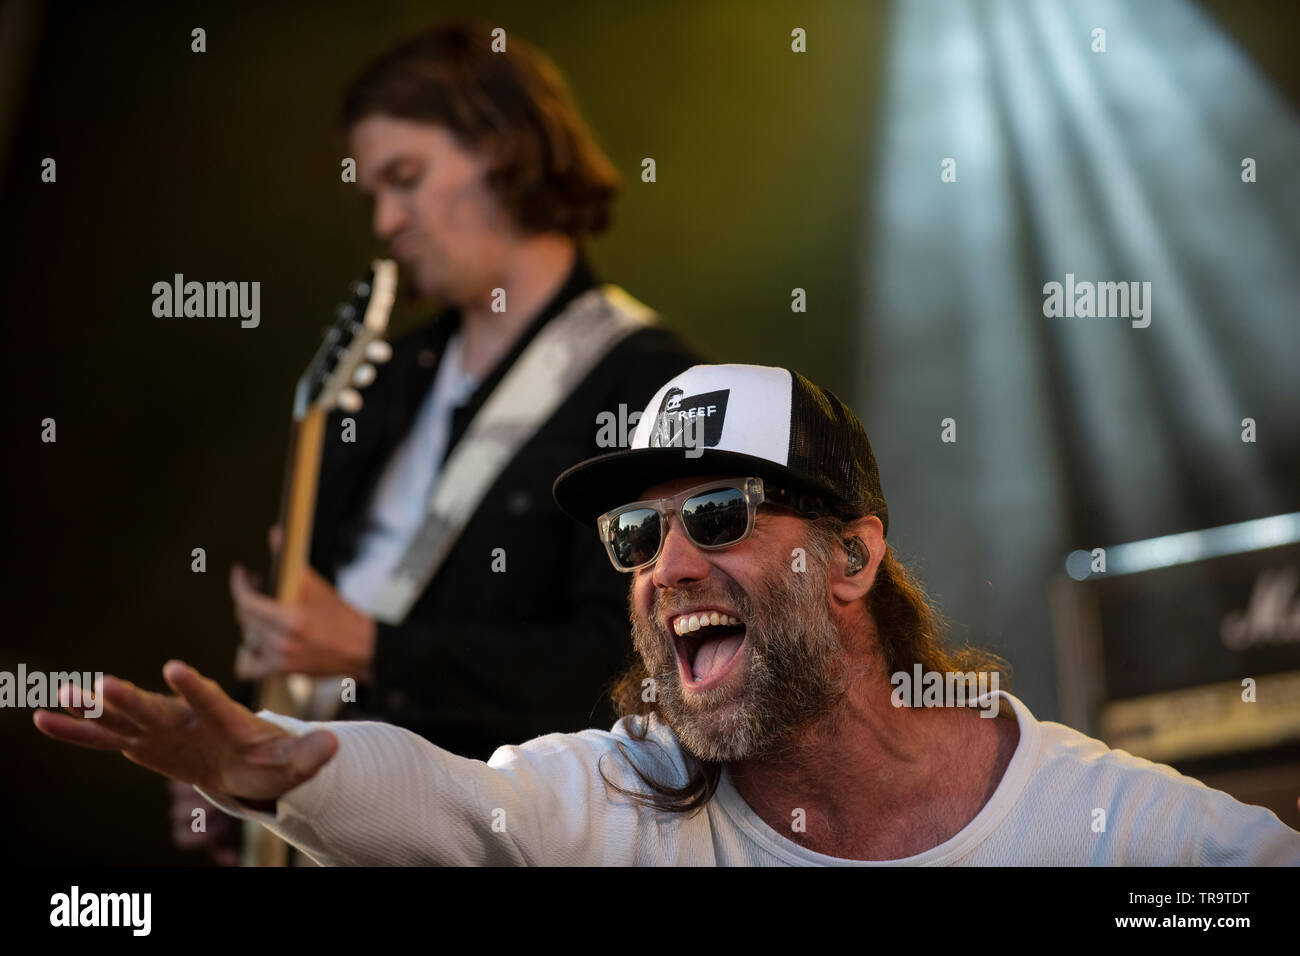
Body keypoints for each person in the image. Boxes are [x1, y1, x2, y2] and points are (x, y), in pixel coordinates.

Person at [38, 364, 1300, 865]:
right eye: (637, 535)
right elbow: (453, 804)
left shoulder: (1118, 835)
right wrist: (284, 762)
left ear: (852, 557)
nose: (665, 565)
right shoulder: (626, 799)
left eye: (718, 517)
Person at [171, 22, 700, 860]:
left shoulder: (643, 382)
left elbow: (623, 674)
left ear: (500, 148)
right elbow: (316, 605)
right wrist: (236, 755)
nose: (383, 219)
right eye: (372, 191)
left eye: (405, 178)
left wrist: (373, 649)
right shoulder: (387, 372)